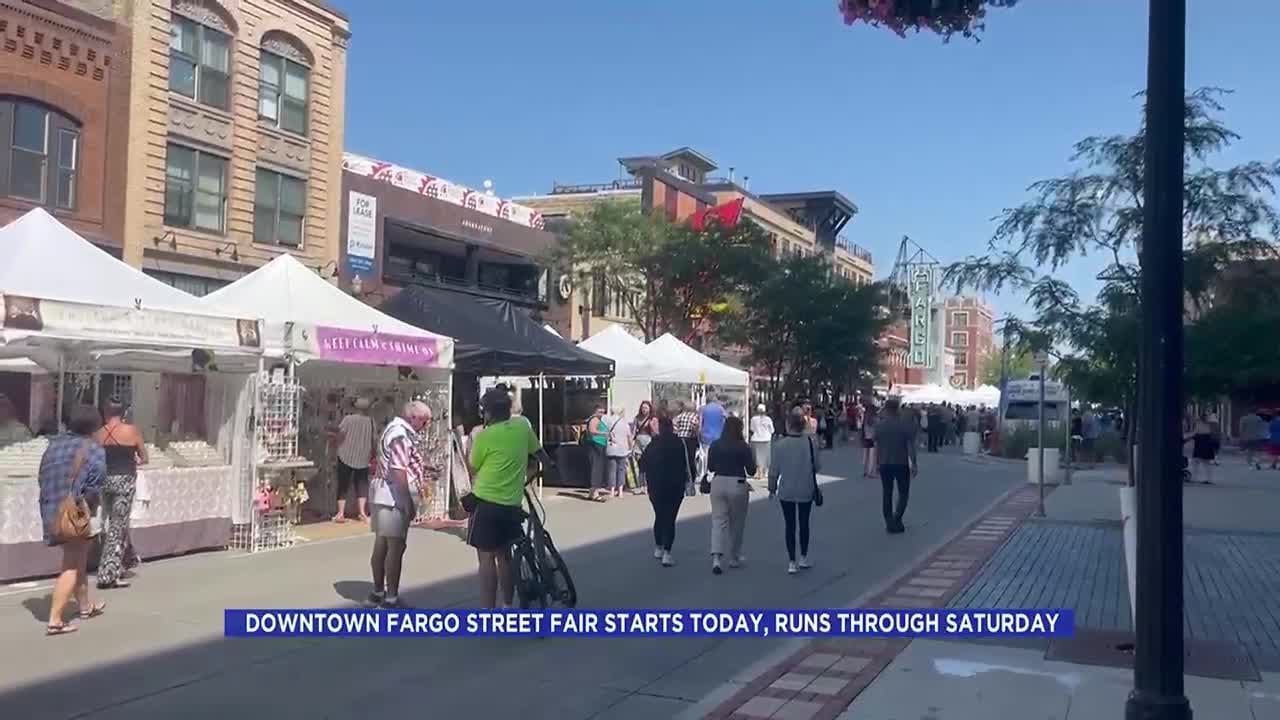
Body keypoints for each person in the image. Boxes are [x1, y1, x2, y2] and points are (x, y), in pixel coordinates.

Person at [467, 389, 553, 608]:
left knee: (486, 559)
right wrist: (548, 465)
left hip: (485, 502)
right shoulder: (523, 426)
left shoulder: (484, 436)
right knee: (504, 556)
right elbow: (540, 453)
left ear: (486, 413)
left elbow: (473, 465)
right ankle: (507, 605)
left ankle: (488, 611)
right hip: (512, 504)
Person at [38, 405, 108, 635]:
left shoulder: (53, 445)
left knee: (78, 558)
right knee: (72, 563)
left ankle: (85, 605)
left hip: (50, 507)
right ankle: (55, 619)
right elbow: (96, 482)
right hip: (75, 510)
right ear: (94, 426)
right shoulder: (93, 448)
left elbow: (41, 475)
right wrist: (86, 504)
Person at [366, 401, 433, 609]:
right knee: (395, 547)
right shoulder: (400, 435)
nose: (426, 424)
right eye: (424, 420)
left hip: (382, 494)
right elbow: (398, 470)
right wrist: (406, 502)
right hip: (392, 497)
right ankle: (390, 598)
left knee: (383, 544)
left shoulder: (393, 430)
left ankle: (378, 592)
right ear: (412, 417)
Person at [92, 400, 147, 589]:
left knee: (107, 522)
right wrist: (133, 463)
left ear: (105, 412)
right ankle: (108, 573)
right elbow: (144, 457)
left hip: (104, 479)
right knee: (119, 525)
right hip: (124, 480)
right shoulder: (131, 431)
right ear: (123, 412)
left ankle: (116, 564)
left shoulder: (98, 434)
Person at [769, 408, 820, 574]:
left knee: (789, 525)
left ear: (788, 425)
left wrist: (772, 488)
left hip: (786, 489)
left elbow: (774, 470)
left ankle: (792, 561)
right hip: (806, 487)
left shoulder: (780, 445)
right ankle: (804, 557)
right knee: (804, 523)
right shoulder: (811, 443)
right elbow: (817, 467)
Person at [706, 415, 756, 575]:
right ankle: (734, 556)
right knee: (737, 523)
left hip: (718, 482)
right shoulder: (743, 446)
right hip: (738, 483)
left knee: (718, 521)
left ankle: (716, 559)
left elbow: (711, 467)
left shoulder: (715, 445)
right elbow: (751, 470)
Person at [640, 417, 689, 567]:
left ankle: (658, 546)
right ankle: (667, 552)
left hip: (655, 485)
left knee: (659, 515)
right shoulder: (679, 443)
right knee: (670, 518)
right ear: (672, 428)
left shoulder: (653, 443)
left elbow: (642, 463)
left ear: (660, 428)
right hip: (675, 485)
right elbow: (687, 463)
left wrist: (645, 479)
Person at [875, 396, 918, 534]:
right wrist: (914, 463)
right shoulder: (904, 425)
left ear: (886, 409)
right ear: (897, 410)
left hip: (885, 463)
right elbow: (911, 446)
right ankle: (897, 518)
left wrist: (876, 463)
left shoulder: (880, 425)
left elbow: (877, 446)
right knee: (903, 493)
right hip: (901, 463)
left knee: (887, 493)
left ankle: (889, 521)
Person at [332, 397, 376, 523]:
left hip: (346, 454)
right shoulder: (370, 421)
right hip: (363, 456)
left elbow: (341, 434)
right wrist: (372, 454)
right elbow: (374, 439)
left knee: (343, 485)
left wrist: (335, 442)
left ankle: (340, 513)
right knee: (361, 485)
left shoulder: (348, 419)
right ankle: (362, 513)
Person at [603, 405, 632, 498]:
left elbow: (604, 433)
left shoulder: (608, 421)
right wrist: (630, 448)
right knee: (621, 470)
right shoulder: (624, 423)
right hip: (622, 448)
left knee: (611, 470)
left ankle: (611, 490)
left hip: (611, 448)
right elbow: (629, 437)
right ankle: (620, 491)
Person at [672, 401, 700, 494]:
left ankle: (682, 480)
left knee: (681, 460)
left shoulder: (680, 416)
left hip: (680, 439)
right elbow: (695, 427)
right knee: (691, 460)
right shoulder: (694, 416)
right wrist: (696, 434)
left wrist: (678, 432)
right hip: (690, 440)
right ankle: (691, 481)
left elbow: (674, 426)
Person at [632, 401, 658, 491]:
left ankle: (648, 485)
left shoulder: (653, 419)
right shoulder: (637, 418)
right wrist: (632, 442)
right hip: (639, 441)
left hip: (648, 440)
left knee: (649, 464)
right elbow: (633, 431)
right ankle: (641, 485)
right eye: (643, 408)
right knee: (640, 464)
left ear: (650, 408)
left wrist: (651, 426)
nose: (644, 410)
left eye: (646, 408)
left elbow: (656, 432)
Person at [586, 405, 609, 502]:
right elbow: (592, 431)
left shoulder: (598, 419)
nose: (601, 414)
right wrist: (604, 433)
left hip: (599, 445)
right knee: (596, 468)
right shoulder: (594, 419)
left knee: (597, 468)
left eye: (603, 412)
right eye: (599, 412)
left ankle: (592, 492)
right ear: (595, 411)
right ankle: (595, 493)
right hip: (595, 445)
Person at [1187, 414, 1217, 484]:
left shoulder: (1199, 424)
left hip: (1200, 444)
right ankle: (1209, 479)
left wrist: (1187, 438)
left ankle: (1195, 478)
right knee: (1206, 463)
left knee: (1196, 462)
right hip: (1207, 444)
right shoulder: (1210, 425)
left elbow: (1195, 433)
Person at [748, 404, 774, 480]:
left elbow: (752, 429)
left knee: (757, 456)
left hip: (756, 439)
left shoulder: (753, 419)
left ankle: (758, 471)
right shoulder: (768, 419)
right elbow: (772, 430)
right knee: (765, 456)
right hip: (766, 439)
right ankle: (763, 472)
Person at [860, 405, 878, 478]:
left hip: (866, 437)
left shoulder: (865, 418)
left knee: (866, 456)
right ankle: (871, 473)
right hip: (873, 438)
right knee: (872, 456)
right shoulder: (875, 418)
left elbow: (863, 429)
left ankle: (865, 471)